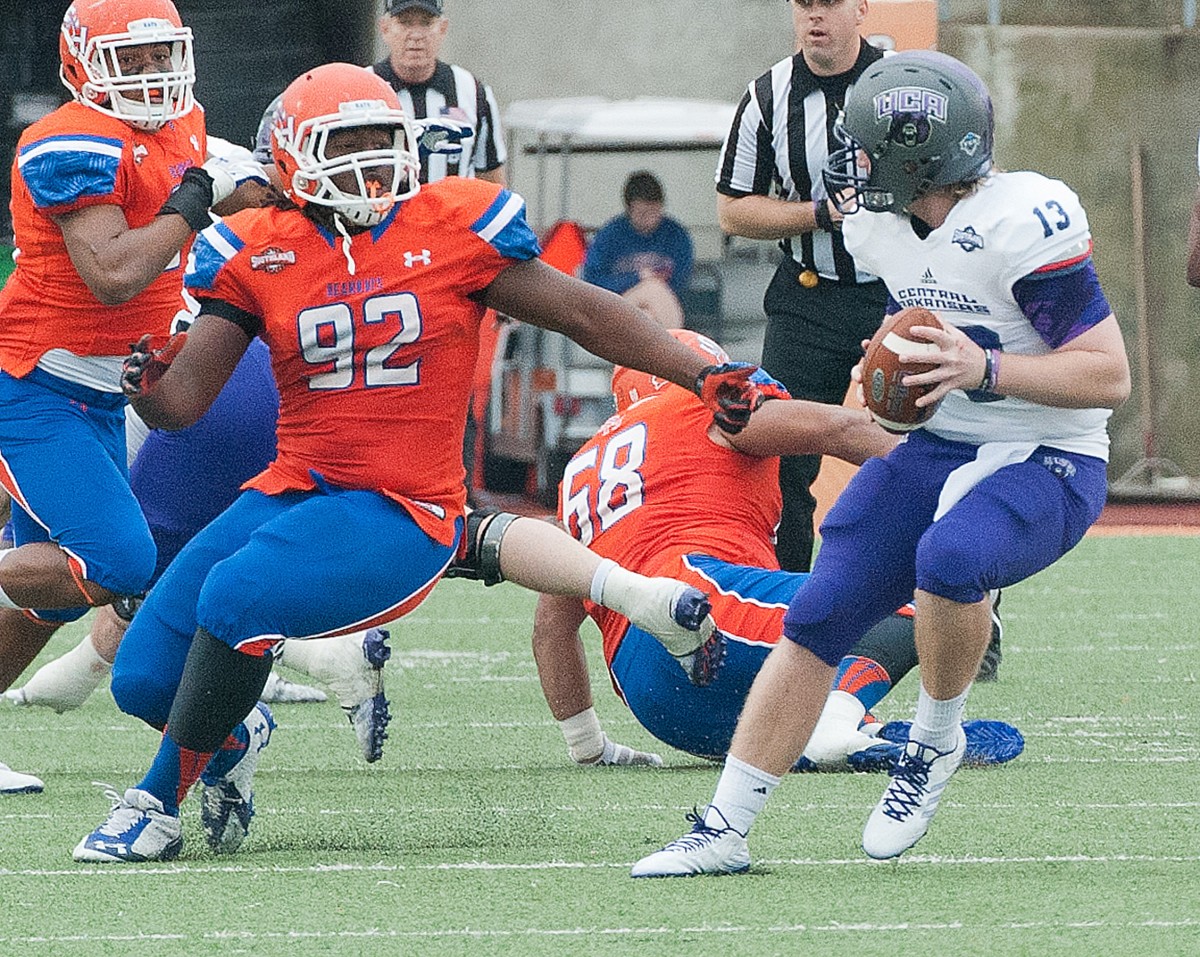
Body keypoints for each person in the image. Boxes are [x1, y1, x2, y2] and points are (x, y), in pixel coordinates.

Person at [71, 62, 762, 863]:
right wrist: (149, 387)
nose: (369, 162)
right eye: (346, 144)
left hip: (403, 509)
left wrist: (700, 373)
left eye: (381, 143)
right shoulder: (259, 248)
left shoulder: (451, 228)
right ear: (291, 158)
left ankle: (154, 804)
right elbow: (184, 403)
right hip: (294, 490)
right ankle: (227, 740)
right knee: (145, 678)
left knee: (234, 595)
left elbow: (582, 310)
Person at [633, 50, 1131, 876]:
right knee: (820, 611)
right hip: (944, 443)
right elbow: (922, 300)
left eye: (866, 151)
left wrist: (985, 368)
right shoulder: (879, 224)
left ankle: (934, 743)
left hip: (1050, 451)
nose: (851, 168)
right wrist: (887, 364)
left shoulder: (1022, 221)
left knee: (951, 557)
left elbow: (1107, 373)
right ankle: (725, 826)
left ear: (919, 161)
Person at [534, 329, 1016, 771]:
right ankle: (839, 717)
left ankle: (842, 728)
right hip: (702, 608)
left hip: (652, 697)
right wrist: (956, 480)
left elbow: (551, 630)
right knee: (931, 593)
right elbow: (839, 431)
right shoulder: (699, 406)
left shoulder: (581, 473)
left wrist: (589, 746)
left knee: (797, 721)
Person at [0, 0, 265, 786]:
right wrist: (198, 196)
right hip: (33, 383)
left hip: (98, 391)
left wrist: (275, 188)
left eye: (160, 56)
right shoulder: (65, 141)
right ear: (82, 63)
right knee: (115, 560)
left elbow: (212, 176)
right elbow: (113, 275)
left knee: (52, 595)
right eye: (132, 59)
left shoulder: (178, 123)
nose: (152, 75)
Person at [717, 0, 887, 573]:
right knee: (781, 462)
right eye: (804, 3)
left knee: (938, 450)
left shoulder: (904, 85)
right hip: (808, 299)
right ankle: (779, 614)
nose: (816, 16)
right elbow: (733, 211)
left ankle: (967, 607)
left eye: (831, 2)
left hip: (899, 296)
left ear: (861, 7)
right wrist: (818, 214)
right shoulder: (767, 96)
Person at [373, 0, 506, 185]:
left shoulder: (471, 90)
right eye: (405, 22)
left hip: (454, 212)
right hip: (385, 211)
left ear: (443, 28)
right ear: (385, 28)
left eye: (426, 23)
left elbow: (491, 178)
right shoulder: (363, 86)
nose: (416, 35)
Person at [582, 171, 695, 329]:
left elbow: (682, 277)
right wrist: (638, 278)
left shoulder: (675, 234)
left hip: (662, 306)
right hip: (618, 305)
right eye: (643, 214)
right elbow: (594, 281)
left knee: (649, 316)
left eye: (655, 212)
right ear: (629, 209)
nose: (651, 220)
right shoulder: (610, 235)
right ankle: (677, 343)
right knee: (652, 288)